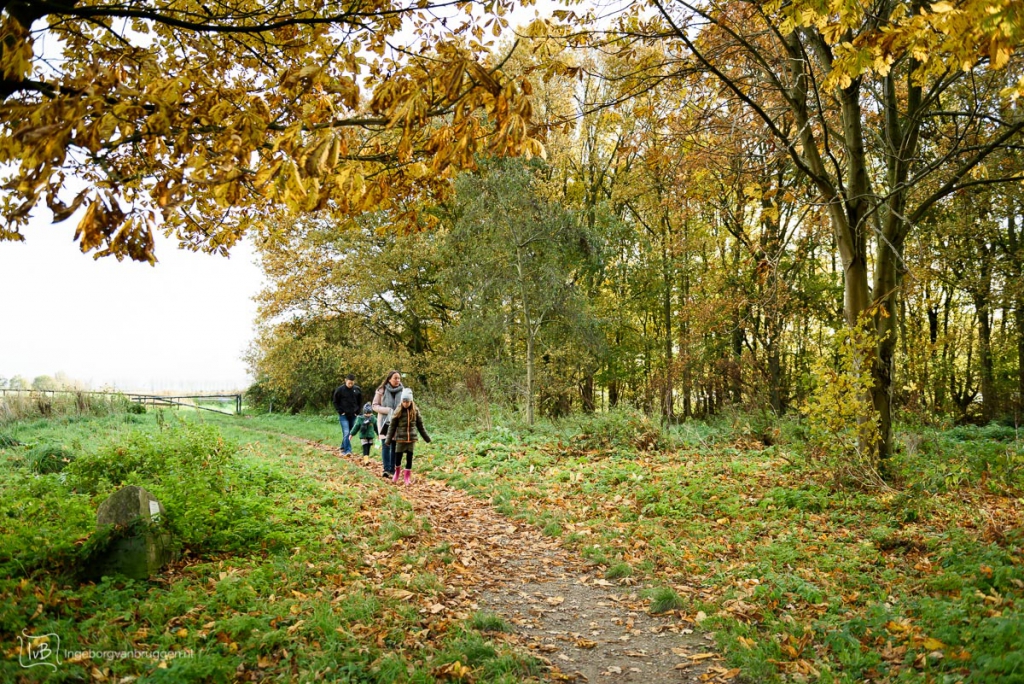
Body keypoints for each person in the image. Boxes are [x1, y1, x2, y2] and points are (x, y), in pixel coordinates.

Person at [385, 388, 431, 484]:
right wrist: (388, 440)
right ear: (401, 401)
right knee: (398, 458)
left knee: (409, 458)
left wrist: (426, 438)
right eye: (404, 401)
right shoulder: (398, 411)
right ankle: (397, 473)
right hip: (400, 439)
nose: (405, 403)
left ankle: (407, 477)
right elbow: (392, 426)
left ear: (411, 401)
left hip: (411, 439)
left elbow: (420, 426)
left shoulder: (415, 411)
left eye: (407, 401)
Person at [372, 370, 404, 477]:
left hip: (397, 422)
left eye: (399, 378)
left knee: (395, 446)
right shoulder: (381, 390)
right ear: (389, 378)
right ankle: (386, 469)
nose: (397, 380)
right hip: (384, 422)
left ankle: (392, 469)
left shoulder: (403, 391)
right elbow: (374, 406)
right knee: (386, 445)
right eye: (395, 378)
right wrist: (387, 410)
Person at [332, 374, 362, 455]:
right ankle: (347, 450)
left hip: (353, 415)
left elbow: (360, 402)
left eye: (352, 383)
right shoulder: (340, 390)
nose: (350, 385)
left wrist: (357, 412)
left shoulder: (357, 390)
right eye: (349, 383)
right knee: (346, 432)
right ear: (346, 381)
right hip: (343, 415)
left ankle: (343, 446)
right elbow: (335, 401)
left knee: (350, 432)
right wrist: (340, 411)